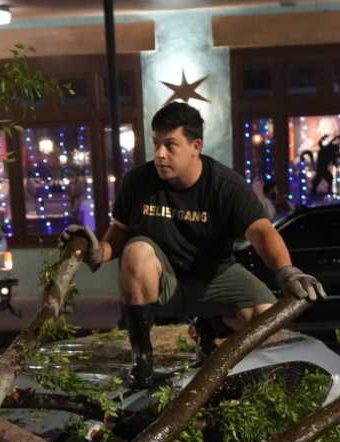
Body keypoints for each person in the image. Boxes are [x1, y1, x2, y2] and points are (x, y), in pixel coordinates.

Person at [66, 102, 323, 386]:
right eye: (156, 144)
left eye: (170, 145)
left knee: (266, 317)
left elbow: (261, 231)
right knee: (136, 251)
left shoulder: (225, 185)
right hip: (164, 280)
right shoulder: (137, 182)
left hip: (214, 276)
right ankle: (142, 363)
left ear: (195, 146)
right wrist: (98, 252)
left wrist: (286, 270)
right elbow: (121, 231)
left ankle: (211, 327)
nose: (160, 154)